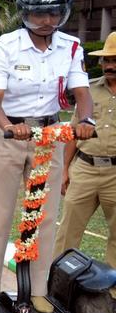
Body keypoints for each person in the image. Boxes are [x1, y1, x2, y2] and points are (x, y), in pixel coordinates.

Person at [0, 0, 94, 313]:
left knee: (44, 217)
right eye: (41, 14)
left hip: (49, 136)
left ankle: (39, 291)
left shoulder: (71, 47)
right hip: (8, 135)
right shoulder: (7, 46)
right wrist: (8, 127)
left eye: (55, 13)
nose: (48, 20)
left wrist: (85, 122)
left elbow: (82, 94)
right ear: (26, 14)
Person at [54, 30, 116, 295]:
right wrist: (65, 170)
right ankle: (56, 285)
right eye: (106, 60)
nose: (110, 65)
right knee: (67, 232)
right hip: (85, 168)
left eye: (115, 60)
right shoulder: (89, 90)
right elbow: (72, 132)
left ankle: (111, 294)